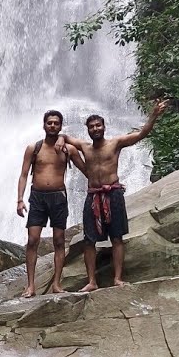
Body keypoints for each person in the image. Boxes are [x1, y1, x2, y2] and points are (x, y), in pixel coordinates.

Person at [61, 99, 169, 291]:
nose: (95, 129)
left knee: (117, 237)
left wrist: (153, 116)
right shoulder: (85, 147)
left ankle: (117, 278)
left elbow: (141, 134)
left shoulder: (115, 143)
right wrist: (62, 142)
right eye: (92, 126)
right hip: (93, 196)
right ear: (88, 130)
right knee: (89, 240)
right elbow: (64, 137)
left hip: (113, 194)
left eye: (98, 125)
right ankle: (92, 282)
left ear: (104, 127)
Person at [16, 110, 72, 297]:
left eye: (56, 123)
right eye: (50, 123)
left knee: (59, 241)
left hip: (58, 198)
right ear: (44, 125)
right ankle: (31, 286)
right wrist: (20, 199)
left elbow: (86, 166)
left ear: (61, 126)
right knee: (32, 240)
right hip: (38, 197)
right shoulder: (34, 148)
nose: (53, 125)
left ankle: (56, 284)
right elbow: (24, 175)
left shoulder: (67, 149)